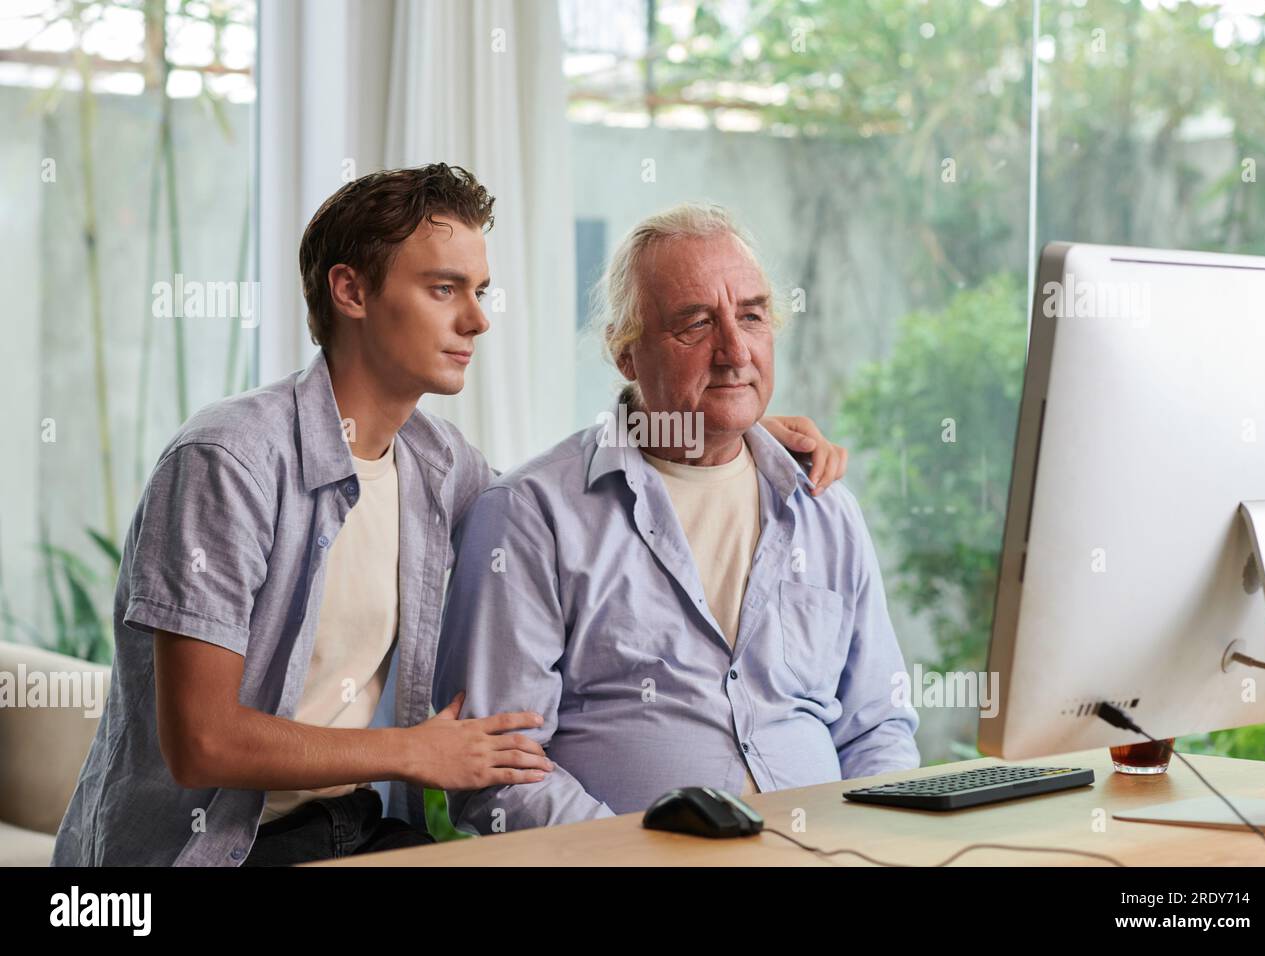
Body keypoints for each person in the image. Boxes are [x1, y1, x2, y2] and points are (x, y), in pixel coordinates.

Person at [52, 167, 849, 866]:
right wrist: (415, 752)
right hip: (208, 849)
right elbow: (202, 742)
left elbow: (575, 499)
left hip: (348, 828)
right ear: (351, 292)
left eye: (482, 292)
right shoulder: (228, 463)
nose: (477, 320)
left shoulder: (439, 467)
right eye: (445, 290)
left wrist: (724, 432)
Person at [435, 202, 920, 834]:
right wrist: (637, 857)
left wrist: (880, 842)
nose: (734, 350)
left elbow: (878, 724)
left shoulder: (824, 508)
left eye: (751, 316)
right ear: (626, 354)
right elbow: (496, 774)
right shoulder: (533, 515)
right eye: (695, 324)